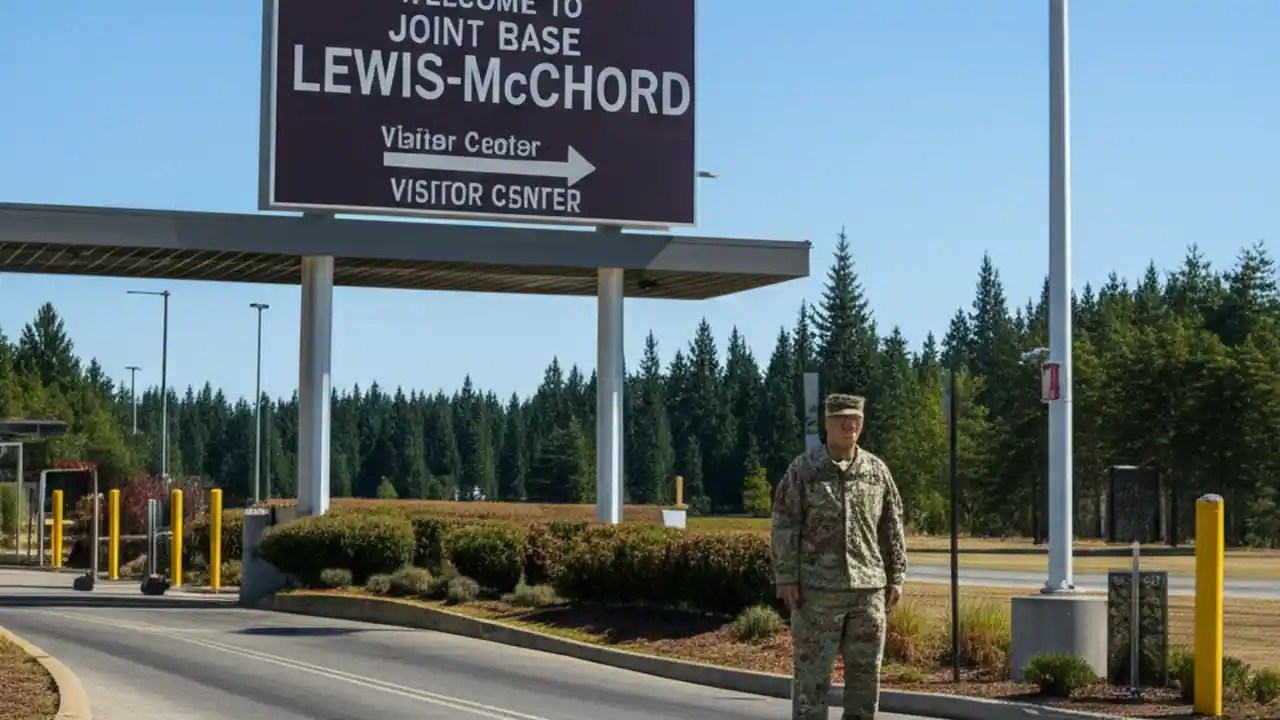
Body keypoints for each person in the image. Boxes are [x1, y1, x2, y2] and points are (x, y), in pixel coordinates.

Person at [770, 393, 908, 720]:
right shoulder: (804, 470)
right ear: (827, 423)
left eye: (856, 420)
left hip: (868, 592)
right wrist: (786, 576)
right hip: (818, 594)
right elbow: (784, 524)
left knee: (865, 680)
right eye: (842, 419)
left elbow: (892, 523)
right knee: (811, 682)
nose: (850, 425)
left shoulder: (876, 471)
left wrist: (897, 574)